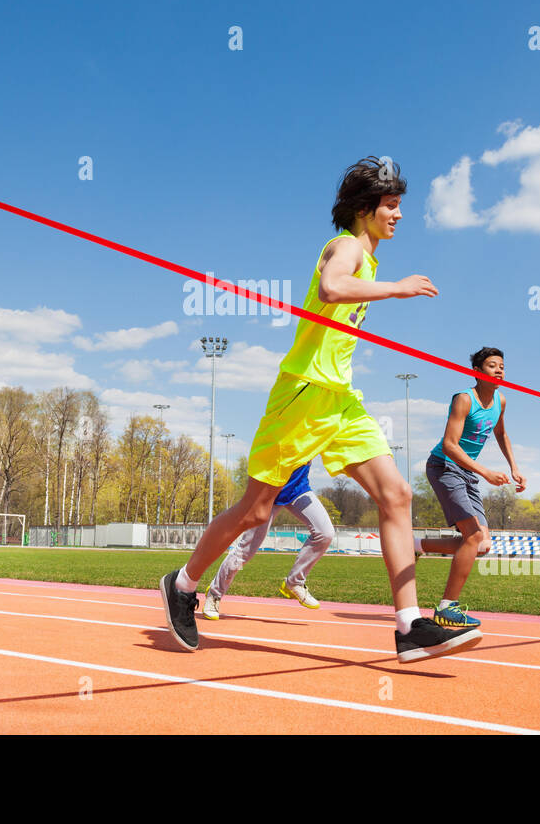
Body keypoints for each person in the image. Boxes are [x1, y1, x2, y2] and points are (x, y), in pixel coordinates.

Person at [160, 157, 482, 663]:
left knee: (396, 495)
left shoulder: (369, 258)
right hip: (303, 394)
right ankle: (182, 584)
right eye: (391, 206)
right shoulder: (347, 247)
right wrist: (398, 289)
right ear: (364, 209)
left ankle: (409, 626)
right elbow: (333, 287)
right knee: (256, 510)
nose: (399, 216)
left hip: (341, 399)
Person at [415, 347, 525, 630]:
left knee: (482, 545)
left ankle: (415, 545)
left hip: (467, 472)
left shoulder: (500, 400)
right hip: (444, 466)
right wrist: (486, 472)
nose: (499, 370)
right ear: (478, 371)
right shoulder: (464, 399)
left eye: (502, 365)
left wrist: (514, 467)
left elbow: (501, 433)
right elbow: (450, 445)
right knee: (474, 535)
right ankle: (446, 608)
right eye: (492, 365)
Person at [202, 461, 333, 620]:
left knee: (325, 533)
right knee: (245, 551)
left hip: (298, 489)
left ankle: (294, 582)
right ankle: (214, 593)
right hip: (269, 490)